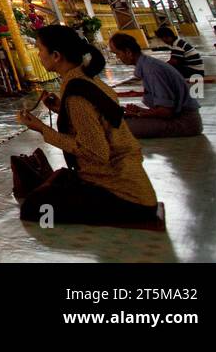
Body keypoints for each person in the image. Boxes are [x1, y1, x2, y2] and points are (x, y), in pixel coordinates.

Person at [13, 25, 161, 227]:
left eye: (39, 49)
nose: (38, 55)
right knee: (56, 181)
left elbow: (96, 152)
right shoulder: (86, 81)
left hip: (122, 192)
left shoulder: (76, 95)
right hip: (134, 185)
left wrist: (42, 129)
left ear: (56, 55)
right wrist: (61, 109)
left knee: (34, 207)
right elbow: (98, 118)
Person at [109, 33, 203, 138]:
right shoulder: (148, 64)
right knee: (120, 121)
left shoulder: (151, 70)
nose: (117, 57)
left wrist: (138, 115)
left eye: (117, 53)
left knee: (118, 128)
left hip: (184, 122)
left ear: (128, 52)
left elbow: (166, 112)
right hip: (178, 117)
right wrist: (141, 111)